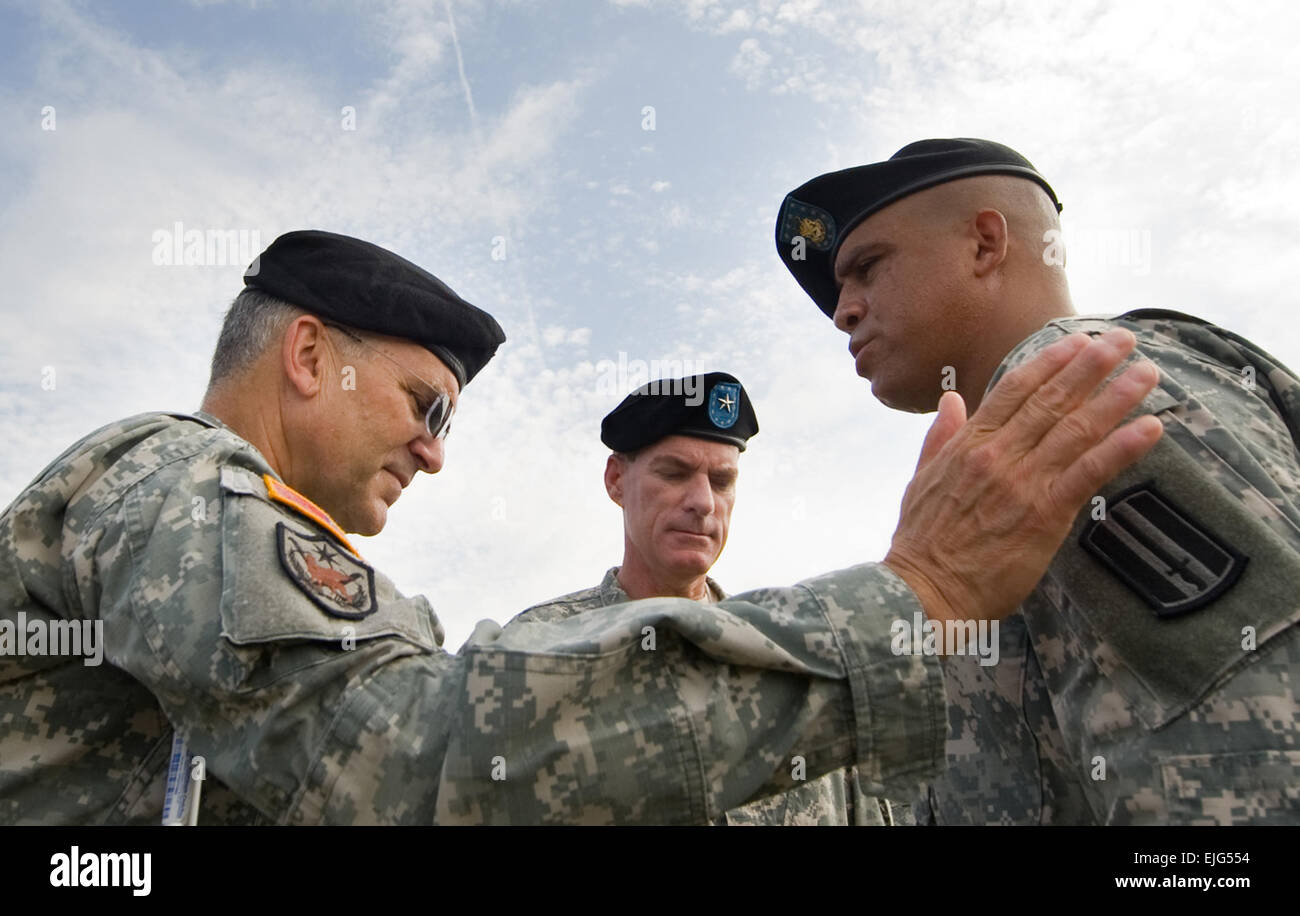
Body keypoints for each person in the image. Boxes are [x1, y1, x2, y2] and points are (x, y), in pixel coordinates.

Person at [0, 228, 1162, 824]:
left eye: (724, 476)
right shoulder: (171, 483)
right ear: (309, 355)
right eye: (424, 403)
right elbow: (407, 754)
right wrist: (912, 595)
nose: (434, 449)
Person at [775, 137, 1300, 824]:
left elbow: (1251, 767)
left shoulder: (1076, 390)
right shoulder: (1007, 452)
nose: (844, 310)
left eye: (867, 268)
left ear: (985, 244)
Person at [506, 372, 910, 825]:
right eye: (674, 473)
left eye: (721, 481)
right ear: (617, 479)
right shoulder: (534, 650)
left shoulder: (798, 665)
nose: (703, 502)